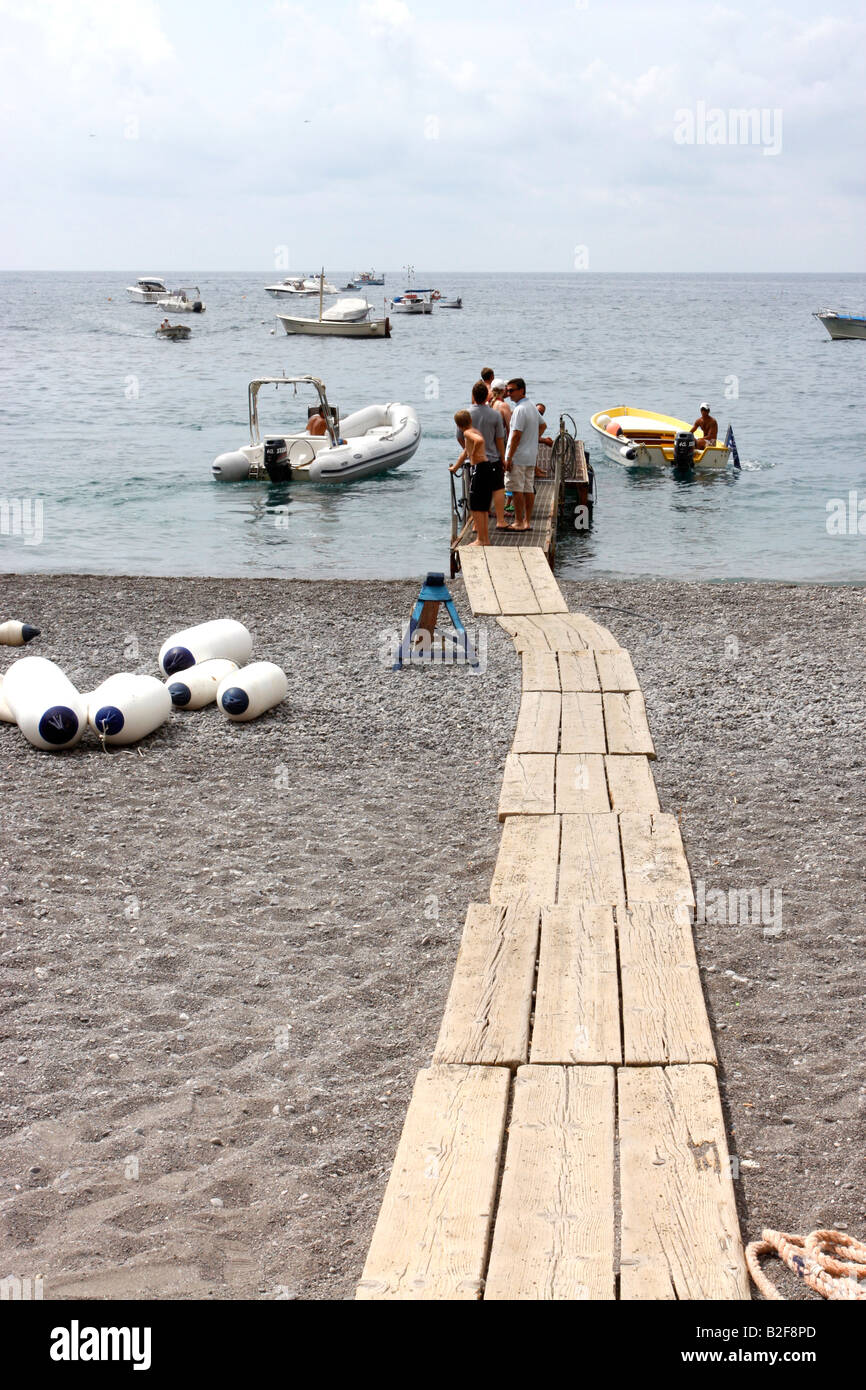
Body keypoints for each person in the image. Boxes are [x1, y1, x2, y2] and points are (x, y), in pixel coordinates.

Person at [457, 381, 508, 529]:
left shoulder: (466, 414)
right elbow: (499, 439)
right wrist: (503, 458)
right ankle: (500, 520)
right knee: (498, 488)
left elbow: (459, 436)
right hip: (492, 458)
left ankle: (475, 524)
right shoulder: (495, 415)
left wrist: (468, 451)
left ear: (473, 395)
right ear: (487, 396)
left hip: (475, 461)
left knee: (477, 493)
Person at [504, 378, 544, 530]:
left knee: (516, 488)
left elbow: (516, 435)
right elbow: (543, 425)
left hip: (518, 456)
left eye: (512, 390)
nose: (509, 394)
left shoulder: (520, 409)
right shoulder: (532, 406)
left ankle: (519, 522)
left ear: (521, 390)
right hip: (530, 455)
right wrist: (533, 439)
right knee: (528, 488)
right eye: (507, 391)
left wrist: (509, 457)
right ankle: (527, 521)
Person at [450, 409, 491, 545]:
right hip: (485, 467)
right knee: (482, 506)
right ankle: (485, 539)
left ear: (458, 425)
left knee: (476, 506)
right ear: (470, 420)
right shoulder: (474, 430)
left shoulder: (467, 433)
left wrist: (473, 454)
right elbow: (465, 452)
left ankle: (481, 539)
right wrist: (455, 468)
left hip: (480, 468)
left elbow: (478, 442)